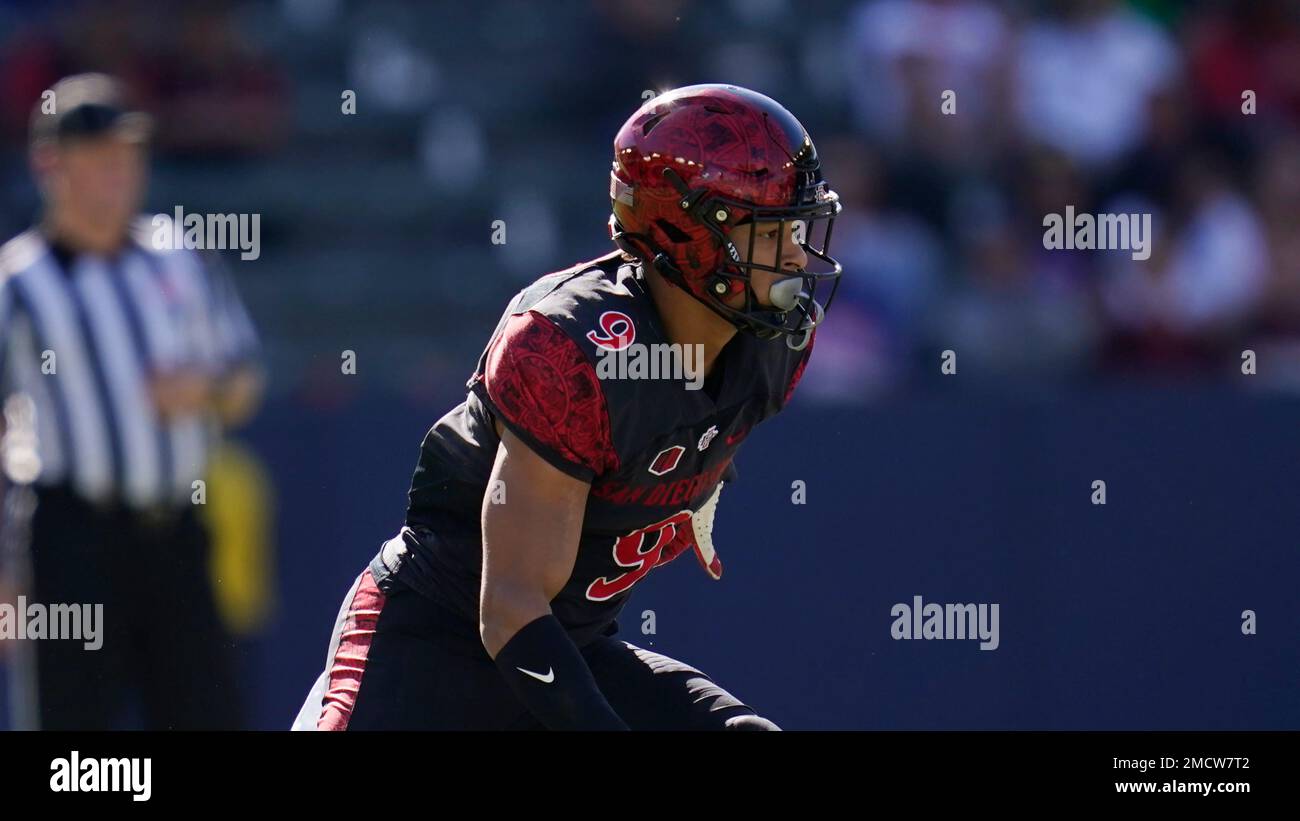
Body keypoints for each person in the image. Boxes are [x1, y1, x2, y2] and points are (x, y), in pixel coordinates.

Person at [293, 84, 842, 730]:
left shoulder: (771, 349)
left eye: (797, 230)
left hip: (567, 648)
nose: (795, 257)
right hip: (433, 649)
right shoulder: (570, 350)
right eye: (770, 231)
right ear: (692, 233)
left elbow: (686, 424)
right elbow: (510, 607)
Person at [0, 73, 264, 730]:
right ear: (50, 164)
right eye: (97, 156)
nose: (118, 173)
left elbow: (245, 380)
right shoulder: (18, 283)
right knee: (72, 742)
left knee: (208, 713)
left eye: (126, 154)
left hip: (177, 531)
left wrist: (201, 390)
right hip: (71, 538)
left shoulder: (179, 255)